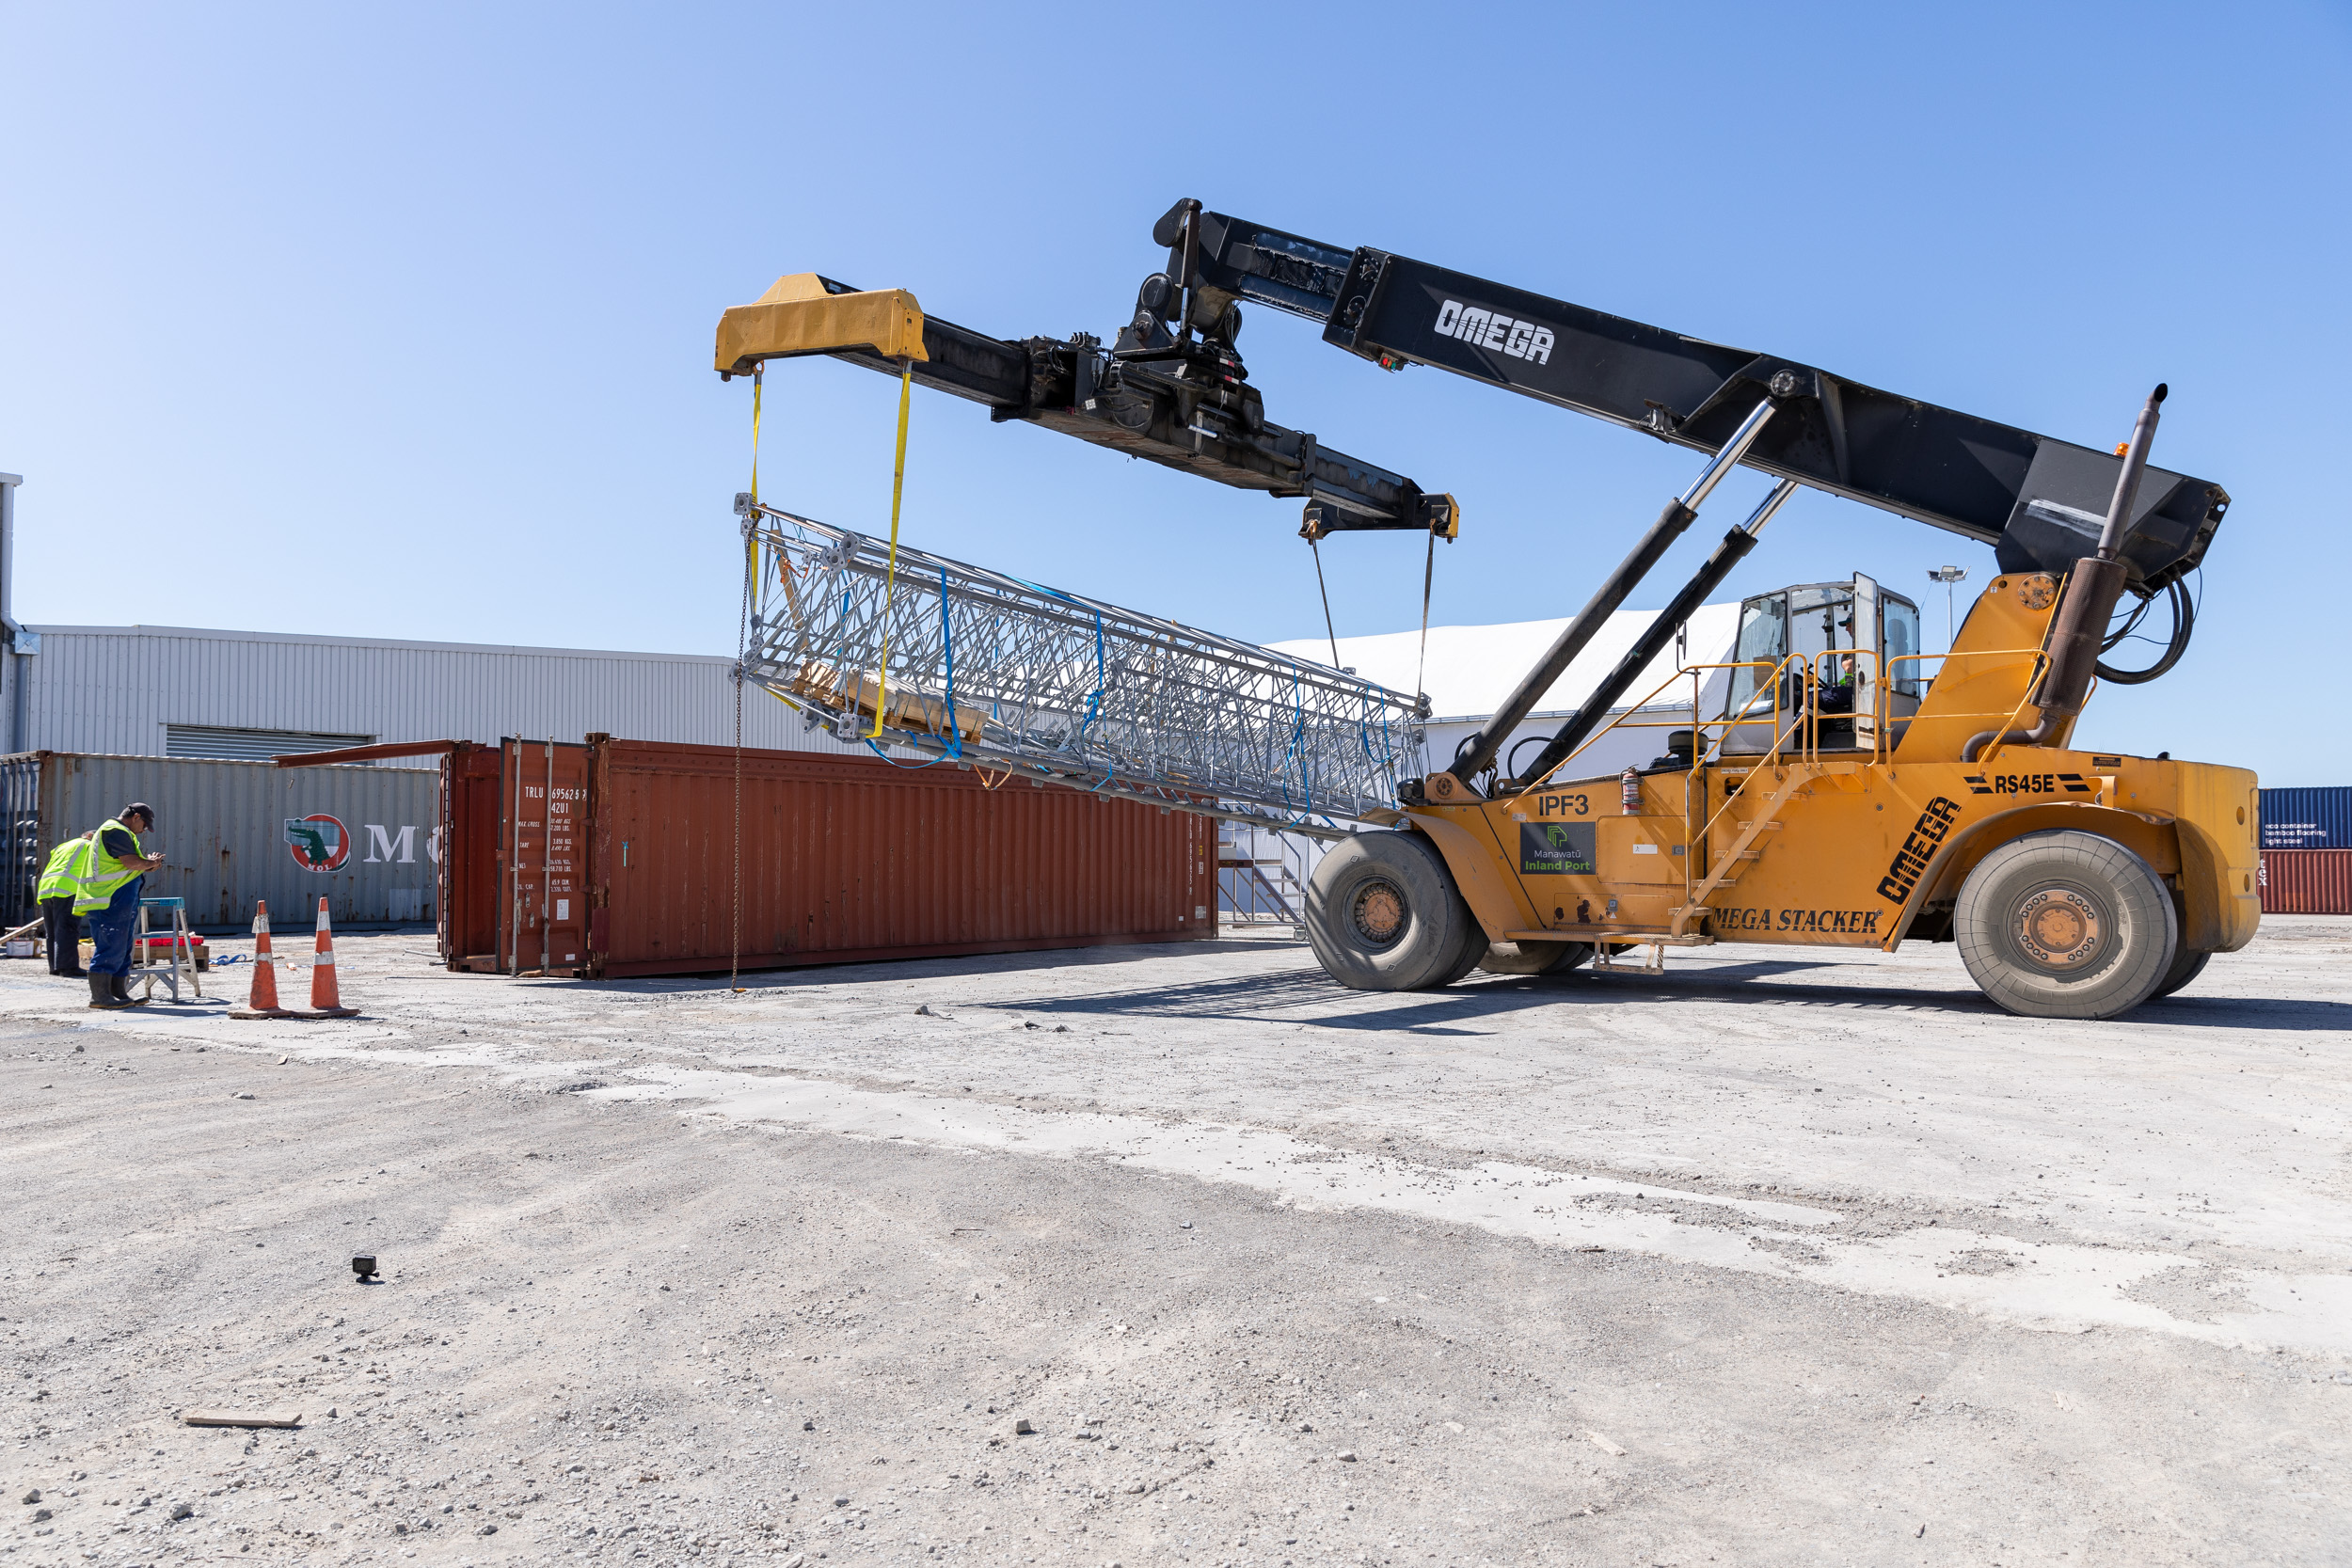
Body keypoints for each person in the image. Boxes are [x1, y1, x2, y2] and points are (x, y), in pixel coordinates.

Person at [72, 801, 165, 1010]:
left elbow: (127, 867)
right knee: (111, 945)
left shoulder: (122, 832)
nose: (143, 831)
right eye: (144, 826)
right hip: (109, 898)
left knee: (122, 947)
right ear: (136, 817)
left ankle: (119, 993)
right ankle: (100, 996)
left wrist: (148, 864)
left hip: (119, 897)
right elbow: (131, 863)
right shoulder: (114, 830)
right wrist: (149, 863)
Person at [35, 831, 94, 978]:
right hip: (67, 887)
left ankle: (54, 967)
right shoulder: (88, 845)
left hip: (46, 887)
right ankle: (68, 968)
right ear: (90, 836)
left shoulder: (62, 846)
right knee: (68, 928)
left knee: (53, 931)